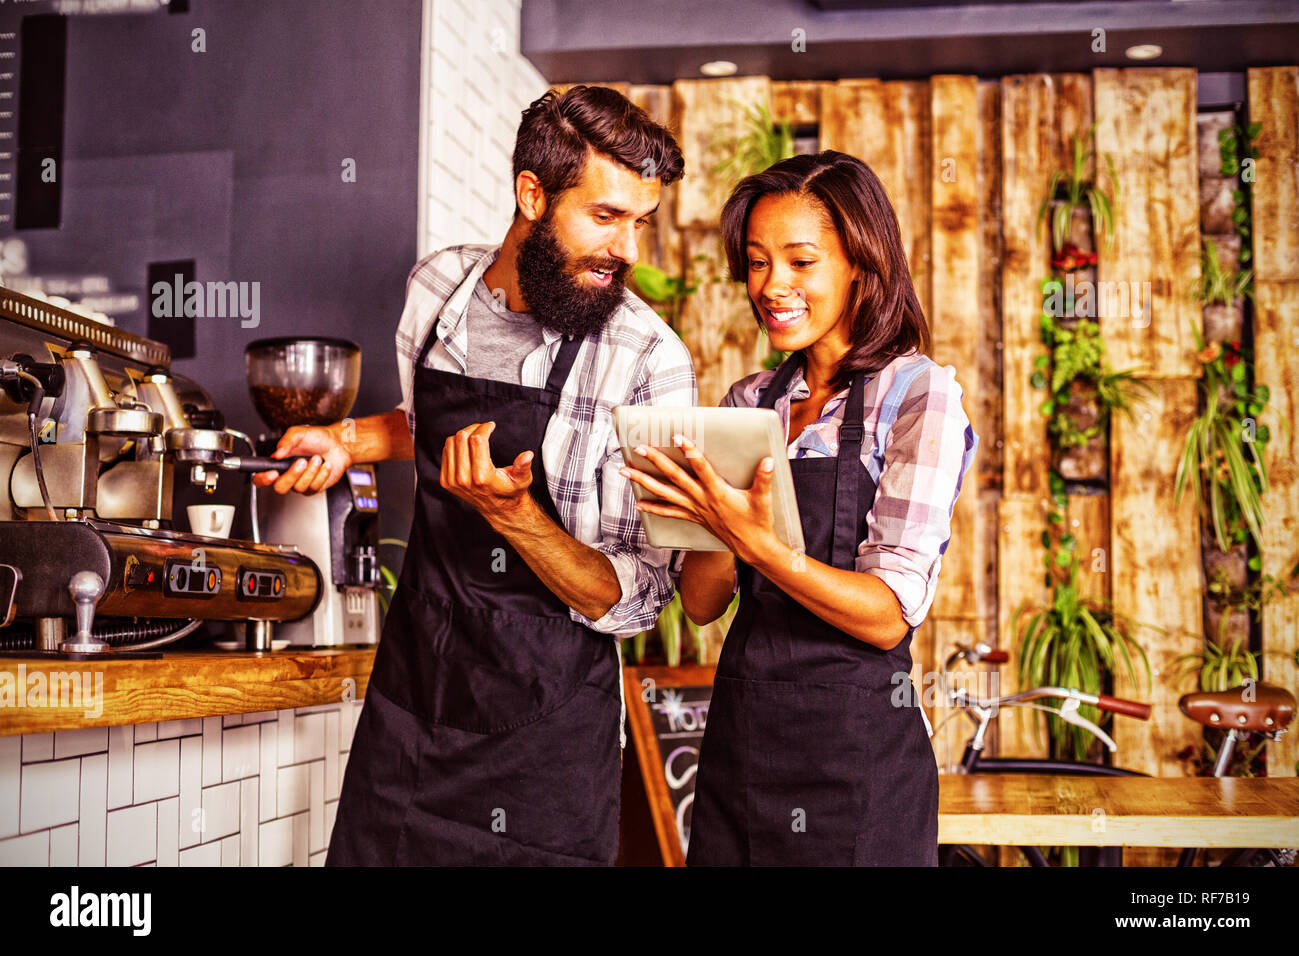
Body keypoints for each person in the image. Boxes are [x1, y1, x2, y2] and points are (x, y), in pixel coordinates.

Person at [254, 85, 694, 865]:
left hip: (546, 744)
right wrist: (347, 439)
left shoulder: (648, 359)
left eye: (640, 222)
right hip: (412, 707)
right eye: (605, 216)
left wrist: (515, 517)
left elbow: (640, 599)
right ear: (532, 194)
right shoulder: (438, 289)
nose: (629, 249)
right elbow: (426, 422)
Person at [620, 150, 978, 866]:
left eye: (800, 262)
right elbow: (698, 602)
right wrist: (707, 517)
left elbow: (884, 616)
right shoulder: (749, 403)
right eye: (756, 263)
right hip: (744, 753)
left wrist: (757, 543)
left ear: (861, 266)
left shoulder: (917, 396)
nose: (772, 286)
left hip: (859, 767)